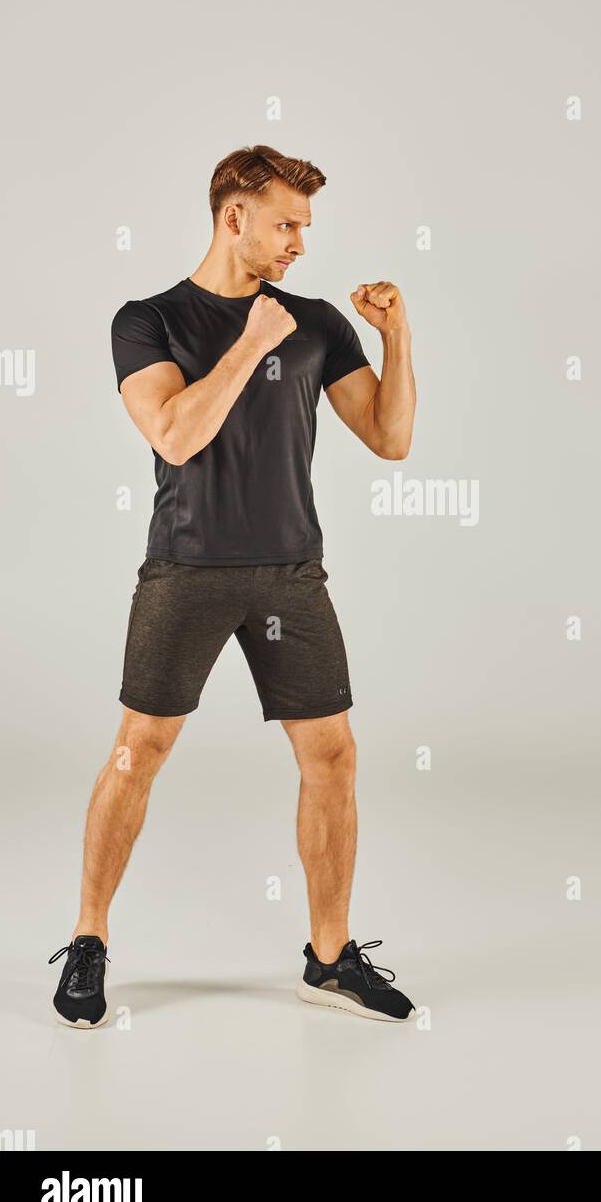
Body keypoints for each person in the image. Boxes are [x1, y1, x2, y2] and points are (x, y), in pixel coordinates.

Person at [48, 144, 417, 1027]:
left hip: (291, 572)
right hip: (187, 566)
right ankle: (89, 940)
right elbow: (175, 435)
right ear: (233, 217)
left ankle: (329, 960)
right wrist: (251, 342)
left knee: (332, 757)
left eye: (306, 227)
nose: (299, 242)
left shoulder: (318, 320)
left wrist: (394, 337)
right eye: (286, 224)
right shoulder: (147, 320)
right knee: (139, 752)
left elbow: (390, 438)